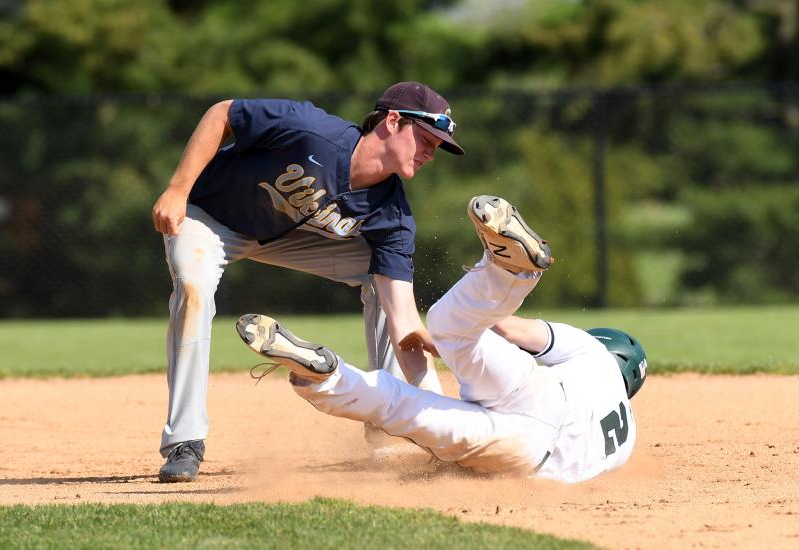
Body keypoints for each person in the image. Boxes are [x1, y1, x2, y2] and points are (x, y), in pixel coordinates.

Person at [151, 82, 465, 482]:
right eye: (425, 138)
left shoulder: (393, 214)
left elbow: (404, 324)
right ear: (392, 121)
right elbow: (223, 113)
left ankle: (395, 422)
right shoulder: (310, 130)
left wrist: (439, 420)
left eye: (436, 147)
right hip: (209, 217)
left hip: (285, 236)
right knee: (193, 289)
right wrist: (178, 189)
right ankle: (185, 441)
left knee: (381, 275)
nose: (429, 153)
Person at [236, 195, 647, 482]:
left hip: (537, 392)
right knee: (408, 410)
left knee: (451, 325)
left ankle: (509, 271)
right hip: (531, 458)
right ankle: (324, 379)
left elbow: (507, 327)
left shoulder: (591, 353)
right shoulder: (625, 435)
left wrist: (450, 345)